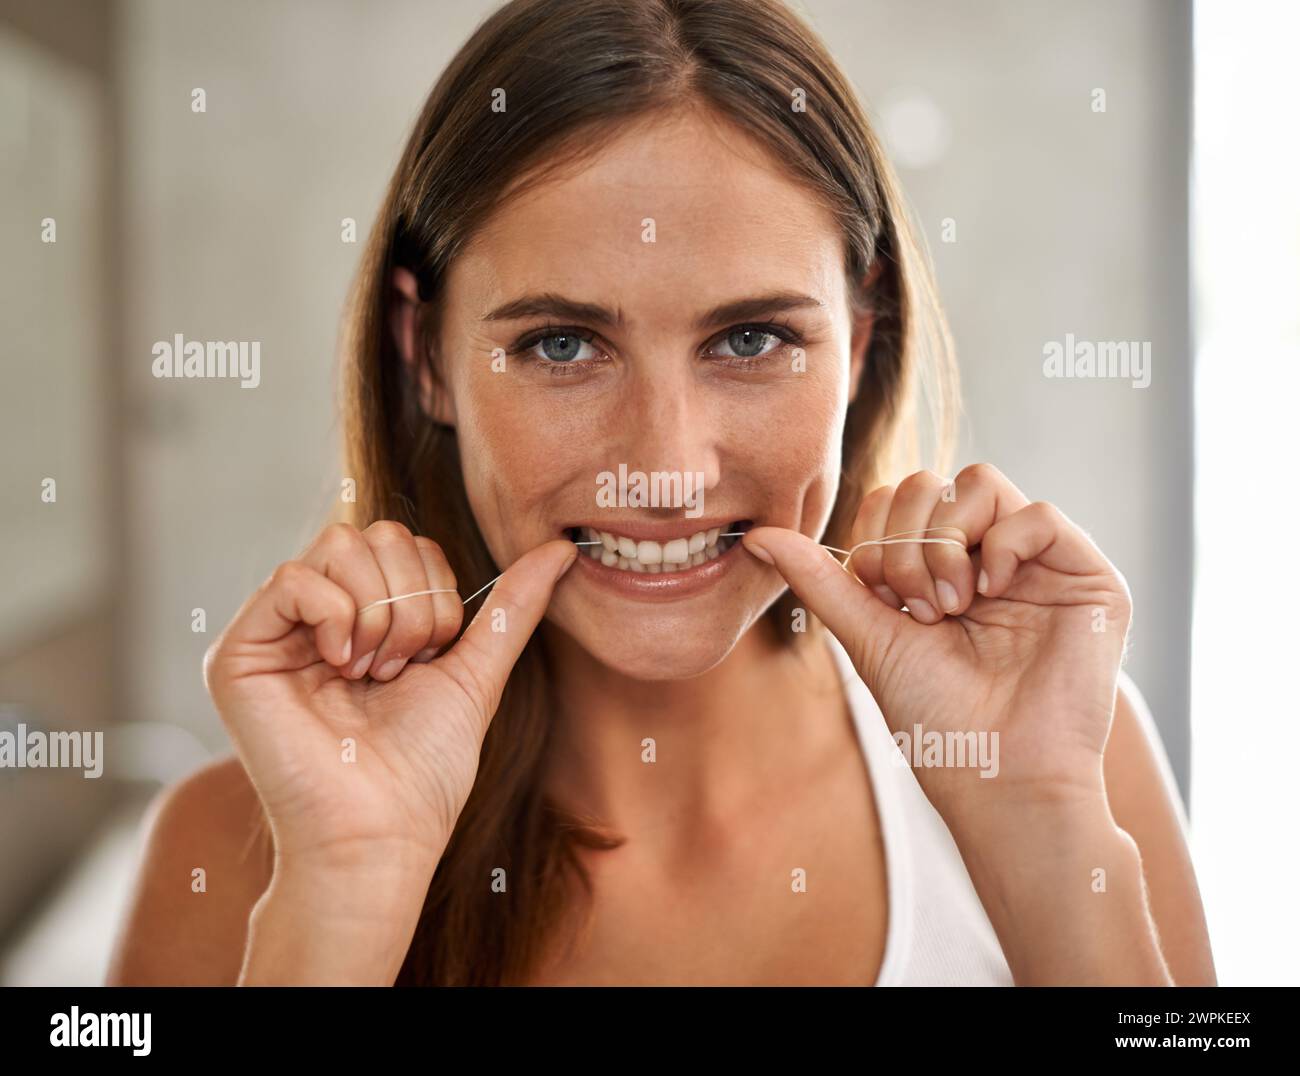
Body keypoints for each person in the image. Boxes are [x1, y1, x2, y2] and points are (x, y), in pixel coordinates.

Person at [106, 0, 1214, 986]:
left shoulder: (1061, 756)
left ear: (862, 336)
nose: (668, 466)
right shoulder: (246, 851)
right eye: (560, 344)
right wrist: (340, 900)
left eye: (750, 338)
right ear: (425, 353)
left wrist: (1041, 838)